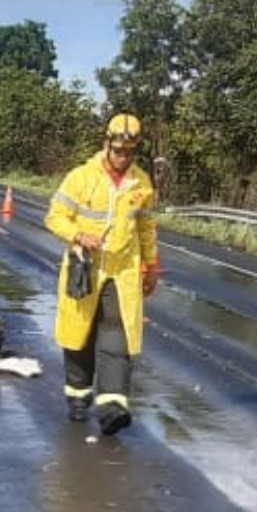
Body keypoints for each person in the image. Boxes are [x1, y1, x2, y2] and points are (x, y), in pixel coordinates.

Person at [45, 113, 161, 435]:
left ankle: (112, 407)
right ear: (106, 144)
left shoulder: (141, 183)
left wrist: (151, 266)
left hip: (122, 270)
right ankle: (78, 398)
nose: (123, 158)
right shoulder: (80, 178)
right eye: (119, 151)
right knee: (79, 334)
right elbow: (54, 217)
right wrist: (79, 235)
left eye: (130, 152)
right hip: (86, 266)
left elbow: (146, 228)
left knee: (117, 332)